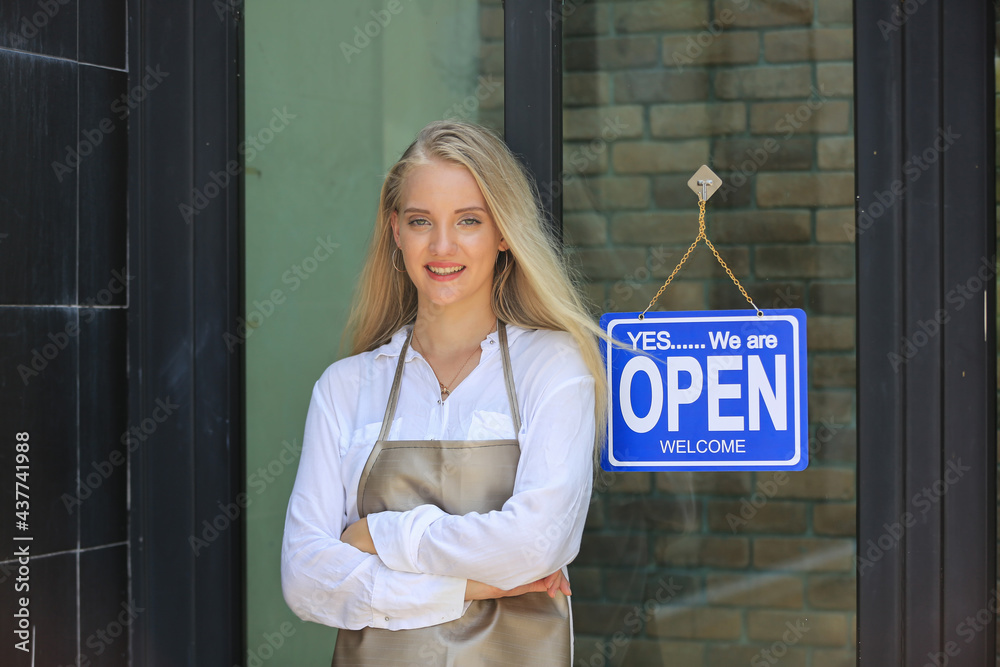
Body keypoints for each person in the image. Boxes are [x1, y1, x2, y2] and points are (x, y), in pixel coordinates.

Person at [280, 120, 609, 665]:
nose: (442, 245)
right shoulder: (344, 387)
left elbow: (535, 543)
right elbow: (305, 577)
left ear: (504, 233)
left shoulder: (553, 365)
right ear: (395, 231)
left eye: (469, 221)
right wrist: (468, 588)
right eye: (420, 221)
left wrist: (378, 536)